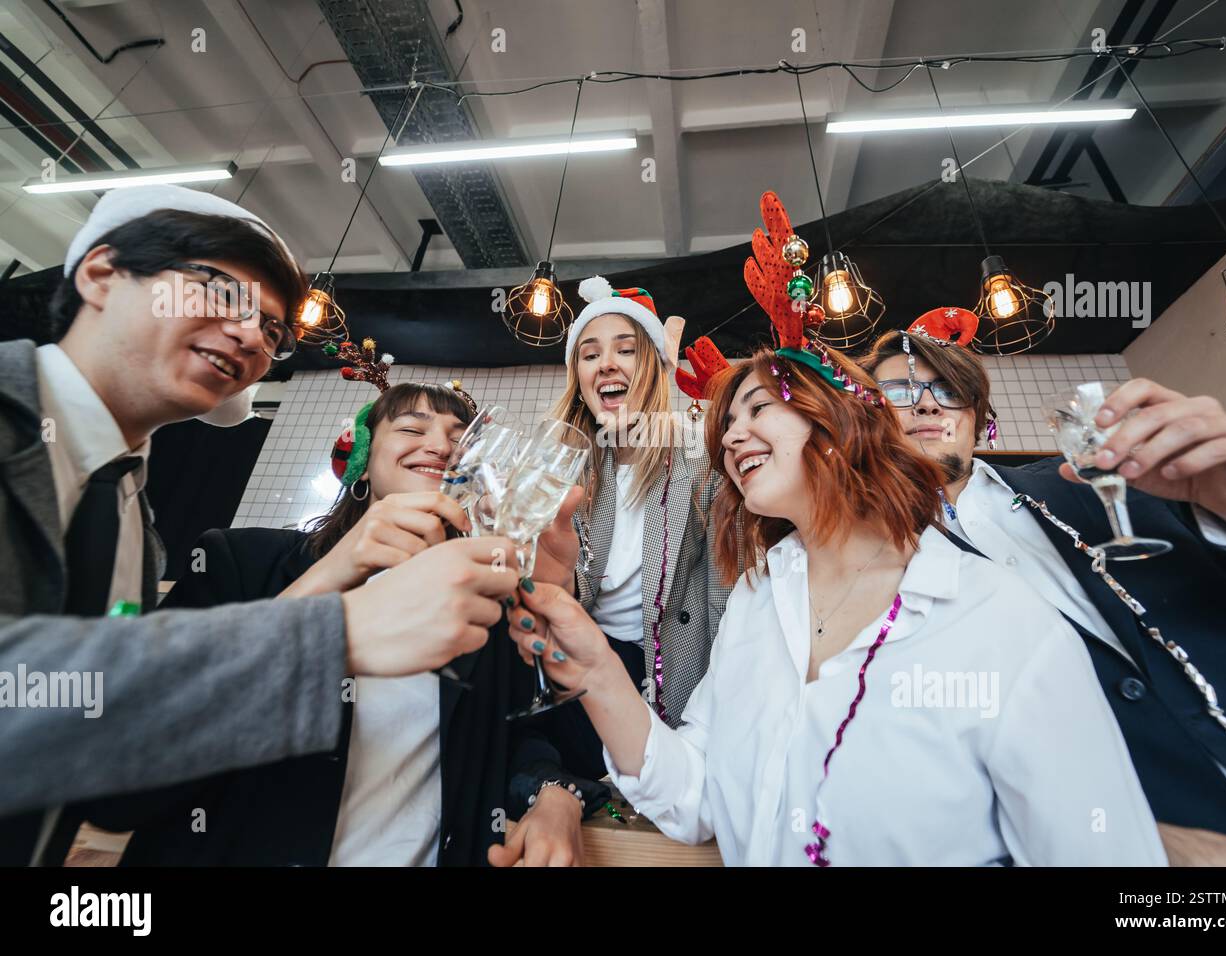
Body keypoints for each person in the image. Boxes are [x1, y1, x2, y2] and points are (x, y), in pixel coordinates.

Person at [498, 192, 1166, 866]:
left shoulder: (1000, 618)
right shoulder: (761, 605)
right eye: (726, 422)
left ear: (836, 424)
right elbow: (699, 793)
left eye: (755, 408)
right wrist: (598, 667)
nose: (732, 436)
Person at [0, 186, 518, 865]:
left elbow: (114, 779)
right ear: (100, 274)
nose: (252, 335)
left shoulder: (131, 515)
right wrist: (333, 632)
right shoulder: (232, 556)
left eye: (273, 330)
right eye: (219, 292)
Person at [68, 381, 599, 867]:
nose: (441, 445)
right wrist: (330, 582)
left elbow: (540, 736)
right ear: (362, 466)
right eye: (412, 428)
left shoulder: (480, 604)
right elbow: (120, 785)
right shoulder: (242, 562)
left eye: (461, 436)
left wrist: (555, 794)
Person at [861, 315, 1226, 865]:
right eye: (899, 391)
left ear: (978, 417)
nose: (927, 405)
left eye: (949, 390)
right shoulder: (861, 568)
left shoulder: (1111, 480)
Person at [486, 278, 731, 867]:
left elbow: (728, 590)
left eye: (624, 348)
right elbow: (542, 592)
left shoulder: (696, 455)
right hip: (578, 661)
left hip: (670, 666)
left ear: (650, 364)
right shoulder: (560, 464)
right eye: (589, 354)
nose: (605, 364)